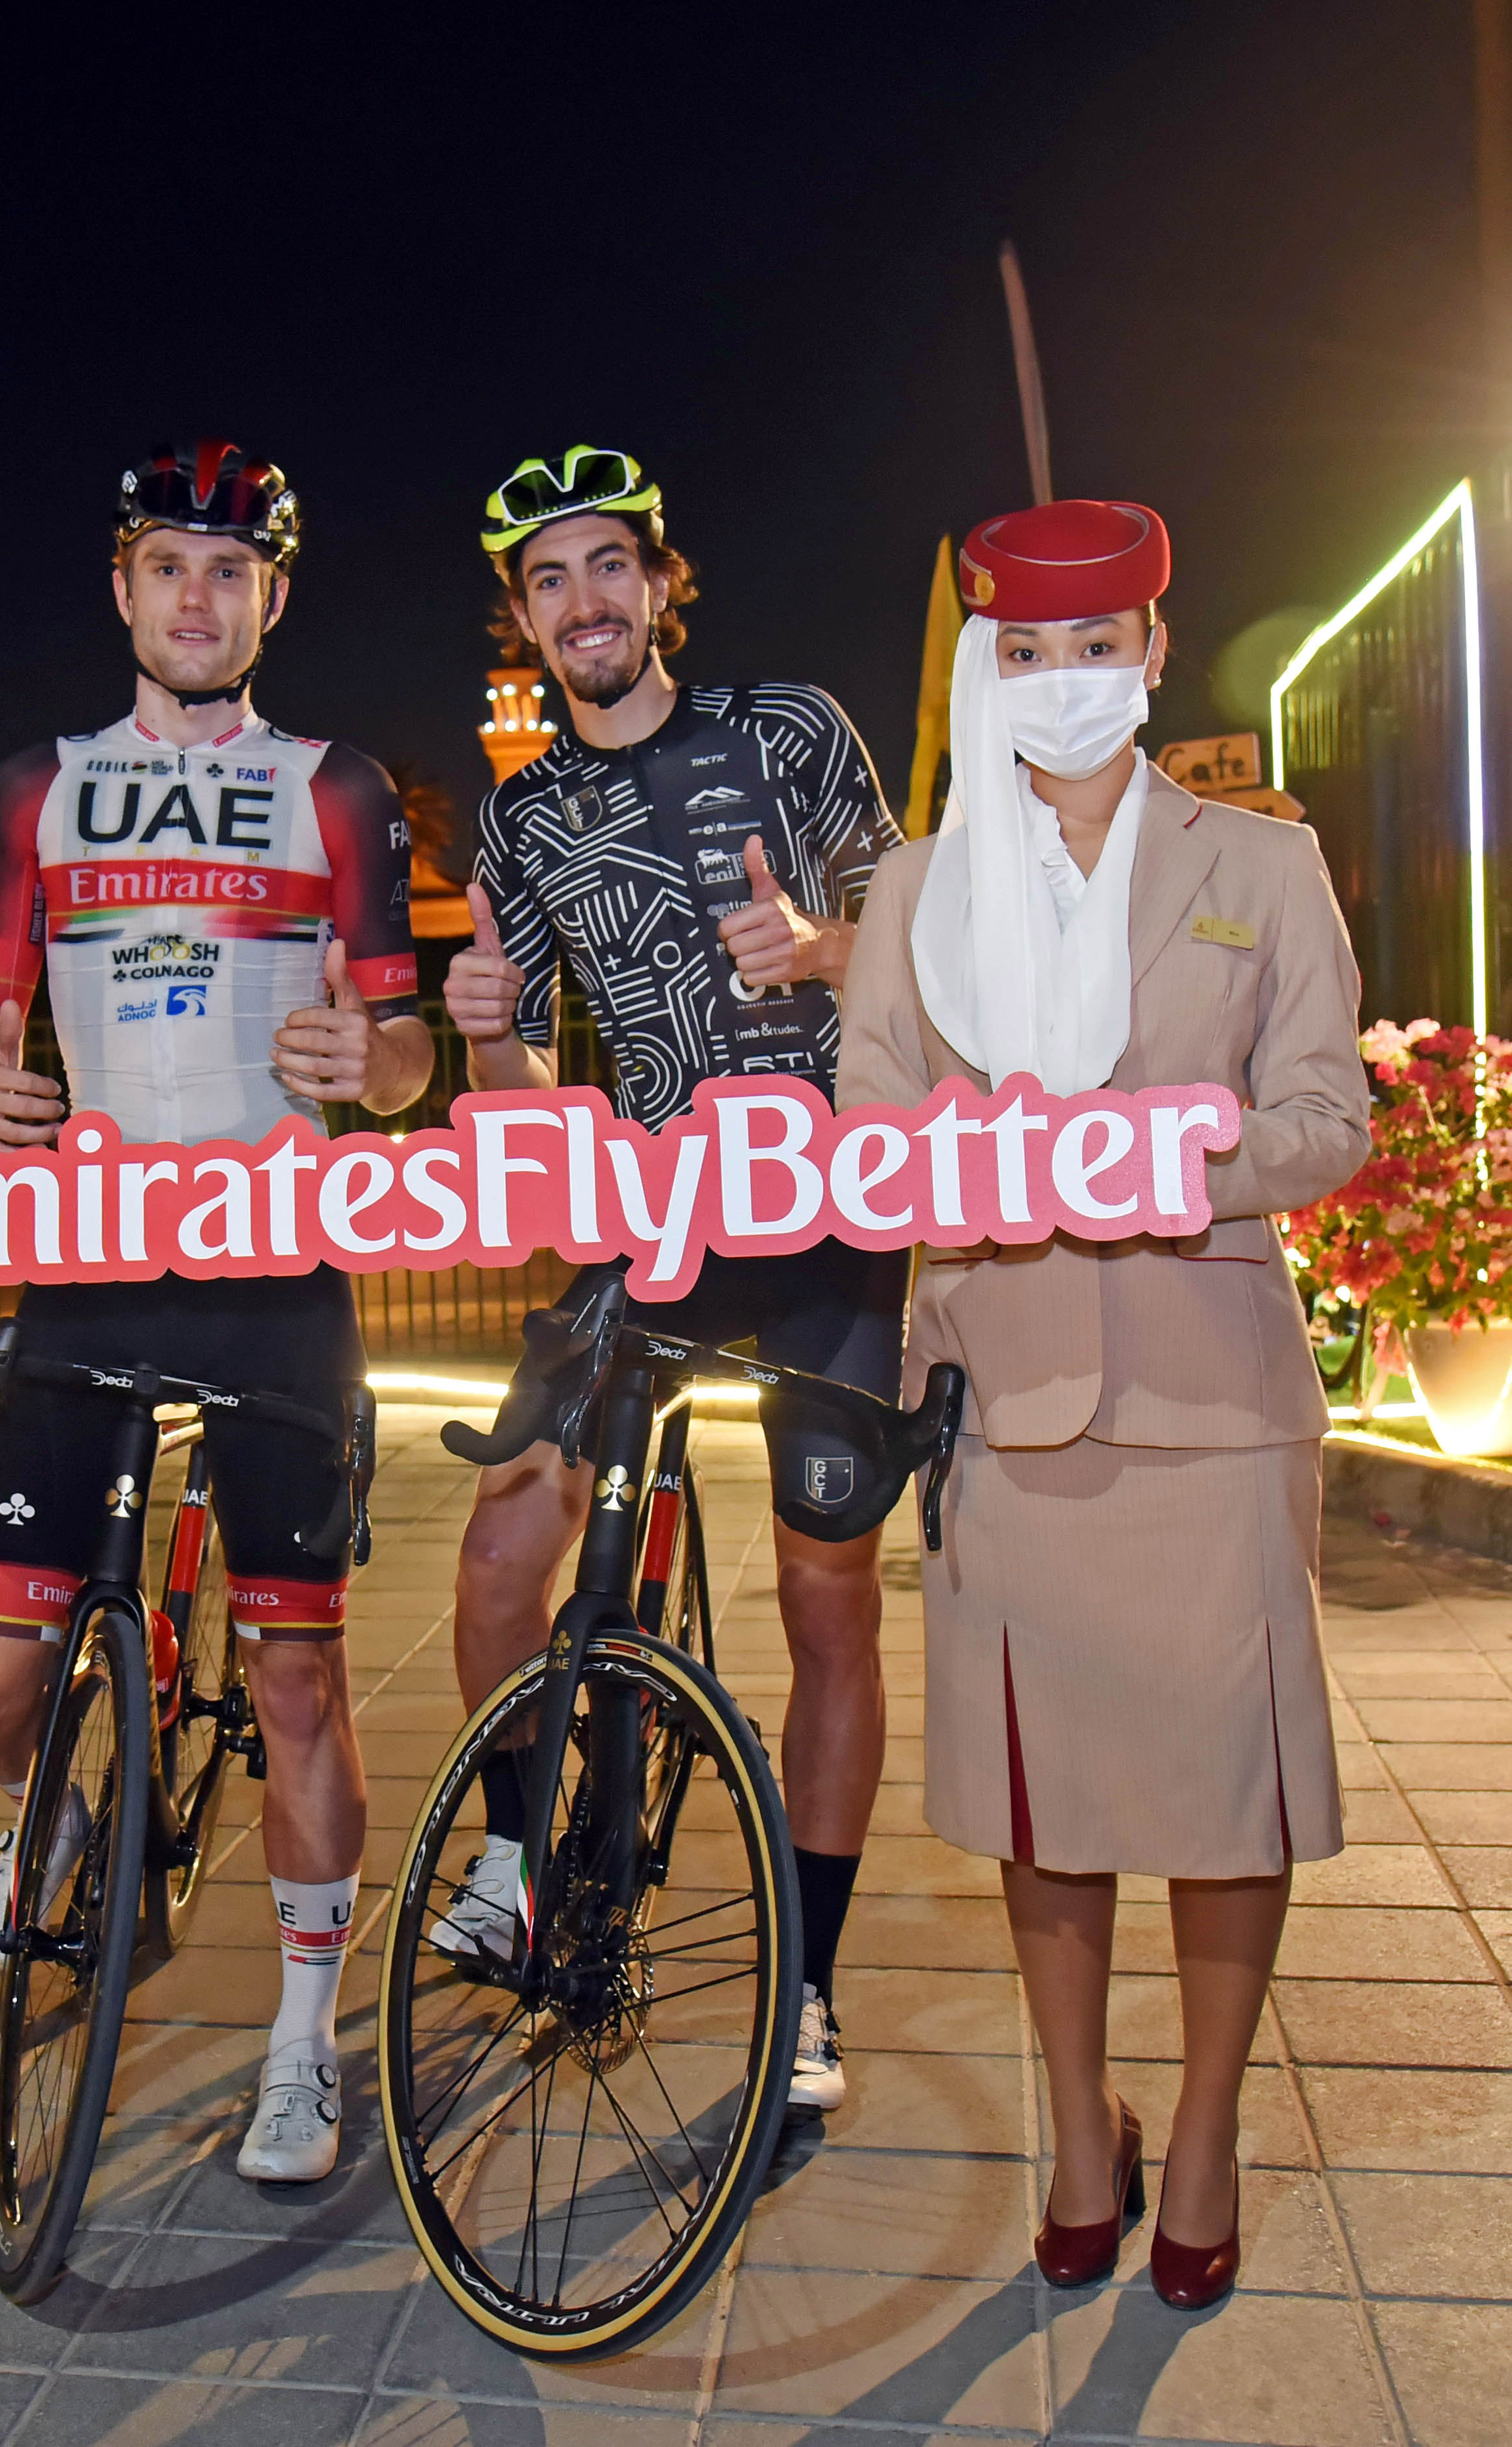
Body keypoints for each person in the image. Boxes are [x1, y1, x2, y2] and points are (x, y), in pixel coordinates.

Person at [836, 499, 1370, 2308]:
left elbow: (1324, 1122)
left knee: (1227, 1801)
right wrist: (969, 1168)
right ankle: (1078, 2129)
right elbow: (859, 1146)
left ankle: (1203, 2131)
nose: (1060, 682)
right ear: (989, 667)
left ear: (1151, 651)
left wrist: (1164, 1162)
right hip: (1009, 1397)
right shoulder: (914, 890)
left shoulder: (1257, 860)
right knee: (1040, 1805)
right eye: (1024, 652)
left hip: (1209, 1403)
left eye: (1094, 647)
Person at [0, 440, 432, 2184]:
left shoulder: (337, 785)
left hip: (274, 1262)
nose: (197, 598)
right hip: (81, 1254)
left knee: (296, 1672)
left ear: (271, 601)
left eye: (232, 571)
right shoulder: (29, 789)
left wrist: (367, 1062)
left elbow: (403, 1038)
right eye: (168, 565)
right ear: (123, 587)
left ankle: (302, 2041)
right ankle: (74, 1823)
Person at [441, 446, 905, 2111]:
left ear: (661, 583)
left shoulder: (794, 730)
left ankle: (814, 1987)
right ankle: (507, 1847)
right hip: (654, 1216)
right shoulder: (520, 813)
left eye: (609, 567)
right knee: (504, 1546)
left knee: (825, 1597)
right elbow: (516, 1110)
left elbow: (928, 936)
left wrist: (831, 948)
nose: (587, 602)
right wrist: (488, 1034)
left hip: (839, 1211)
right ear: (524, 619)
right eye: (550, 580)